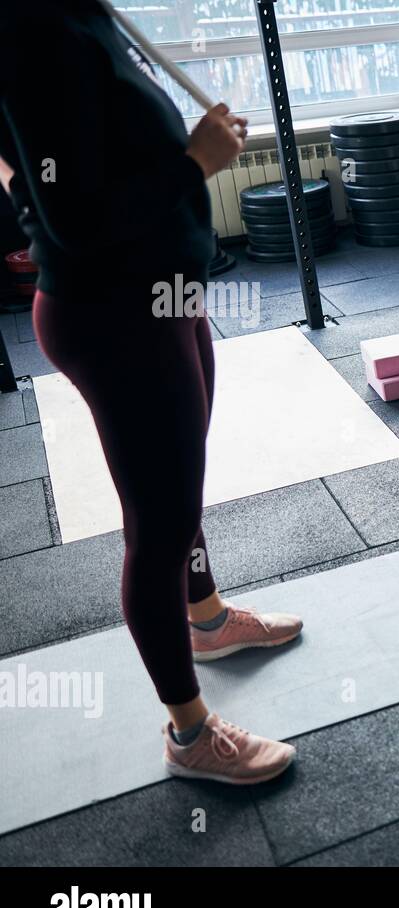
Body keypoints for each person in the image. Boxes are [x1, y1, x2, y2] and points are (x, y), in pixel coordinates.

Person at [0, 2, 300, 784]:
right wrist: (194, 163)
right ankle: (189, 733)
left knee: (179, 493)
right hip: (115, 311)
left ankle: (203, 617)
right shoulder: (35, 28)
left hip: (163, 294)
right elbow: (74, 218)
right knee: (158, 525)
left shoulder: (85, 16)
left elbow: (48, 169)